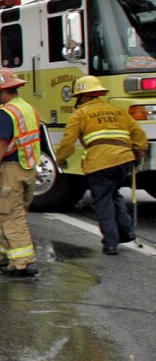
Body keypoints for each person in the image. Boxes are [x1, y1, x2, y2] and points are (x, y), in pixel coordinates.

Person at [53, 75, 148, 255]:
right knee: (114, 195)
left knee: (103, 201)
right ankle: (126, 232)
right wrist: (138, 151)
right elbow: (138, 133)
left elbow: (68, 142)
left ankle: (110, 243)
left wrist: (60, 159)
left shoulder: (80, 114)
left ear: (83, 96)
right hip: (123, 160)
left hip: (99, 162)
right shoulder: (117, 110)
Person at [0, 67, 42, 277]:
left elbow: (2, 141)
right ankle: (3, 257)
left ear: (0, 92)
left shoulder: (6, 112)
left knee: (9, 216)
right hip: (26, 168)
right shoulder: (27, 108)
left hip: (10, 170)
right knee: (6, 213)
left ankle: (23, 262)